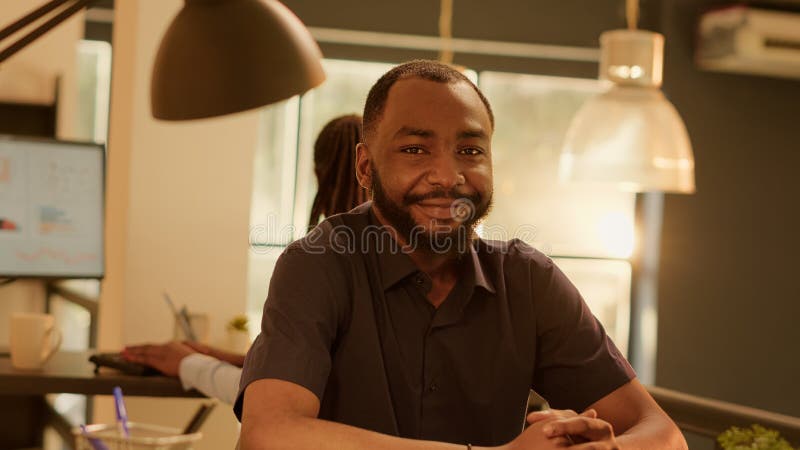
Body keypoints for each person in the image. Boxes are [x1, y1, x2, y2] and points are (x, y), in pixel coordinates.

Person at [236, 60, 687, 450]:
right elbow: (269, 434)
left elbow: (663, 435)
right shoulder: (319, 262)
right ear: (365, 167)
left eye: (469, 150)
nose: (448, 176)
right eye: (415, 149)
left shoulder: (528, 279)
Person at [122, 114, 367, 405]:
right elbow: (317, 366)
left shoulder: (318, 263)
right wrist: (227, 357)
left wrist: (188, 365)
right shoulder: (390, 256)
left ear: (317, 174)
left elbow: (272, 397)